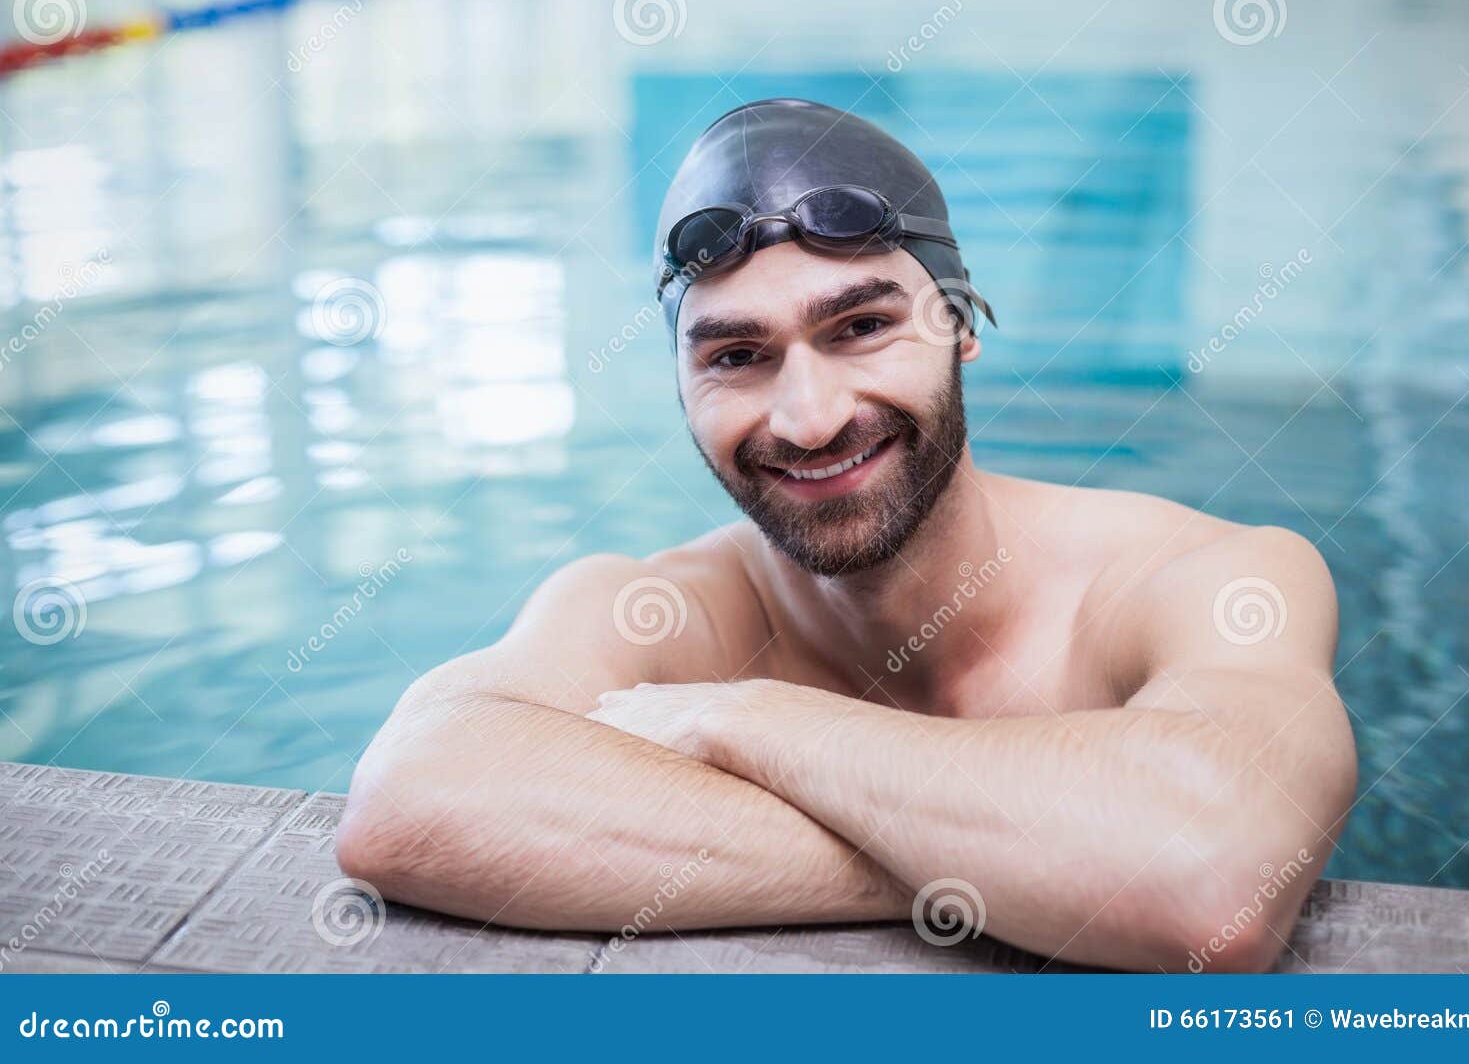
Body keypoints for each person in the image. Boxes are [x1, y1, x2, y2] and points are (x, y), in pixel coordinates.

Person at [336, 98, 1356, 972]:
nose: (808, 417)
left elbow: (1207, 878)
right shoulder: (649, 604)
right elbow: (410, 797)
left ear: (961, 322)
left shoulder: (1208, 574)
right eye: (737, 354)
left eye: (861, 326)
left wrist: (750, 720)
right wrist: (1018, 855)